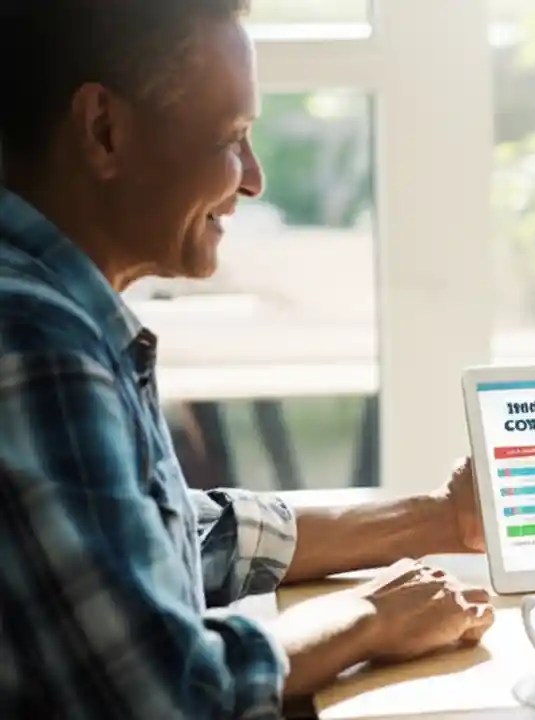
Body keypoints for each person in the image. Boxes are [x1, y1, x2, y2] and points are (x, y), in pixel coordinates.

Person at [0, 1, 494, 717]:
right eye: (232, 138)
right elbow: (165, 694)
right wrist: (369, 619)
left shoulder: (49, 305)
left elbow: (166, 540)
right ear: (104, 131)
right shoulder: (33, 341)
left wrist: (444, 522)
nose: (254, 178)